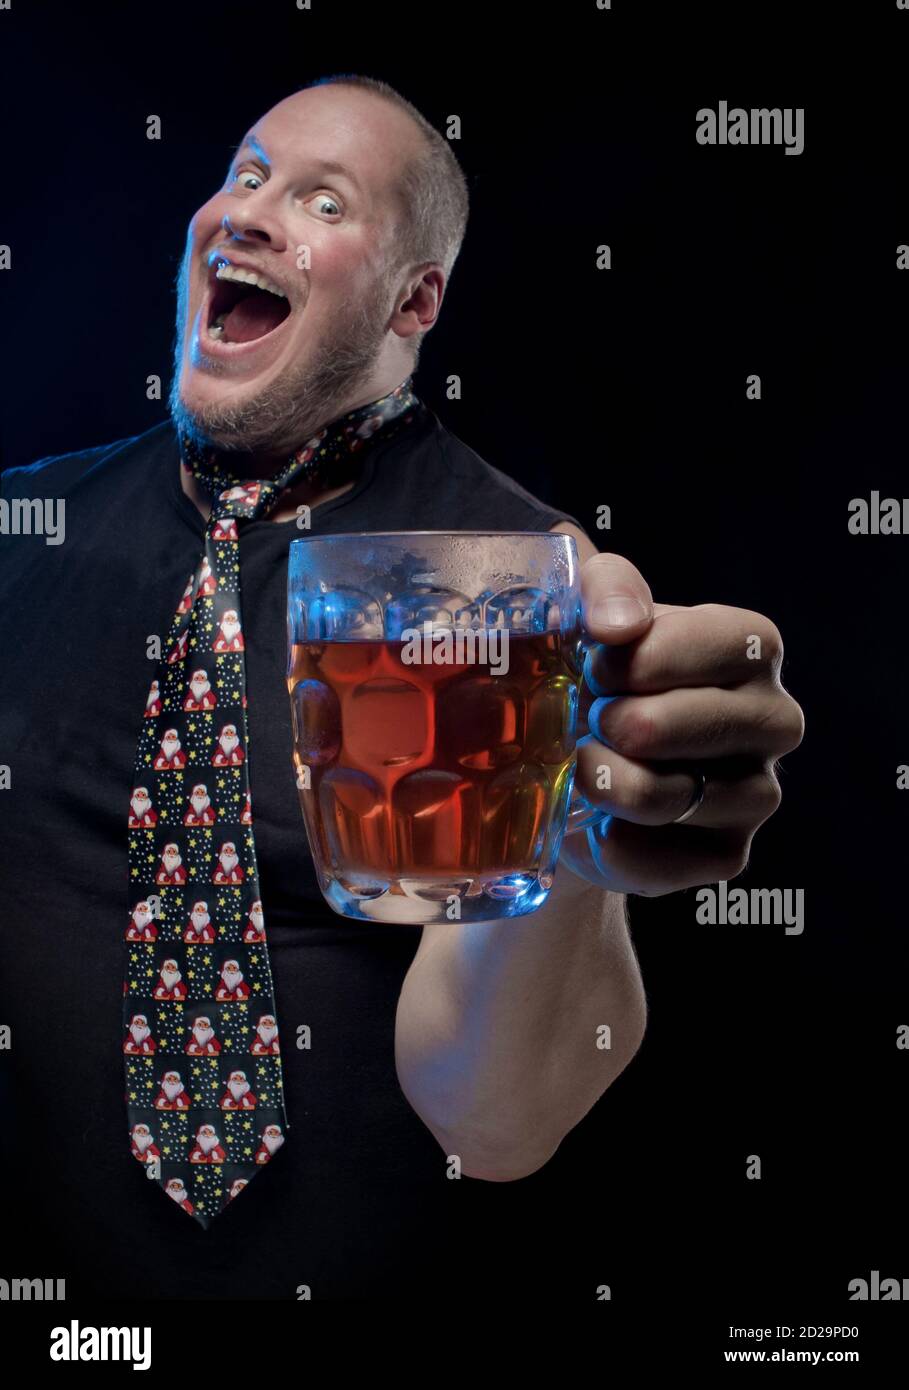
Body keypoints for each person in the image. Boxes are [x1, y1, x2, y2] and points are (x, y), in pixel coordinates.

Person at [0, 75, 803, 1296]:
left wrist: (566, 850)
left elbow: (498, 1124)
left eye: (324, 200)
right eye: (250, 174)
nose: (256, 213)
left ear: (414, 299)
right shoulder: (23, 525)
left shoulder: (520, 594)